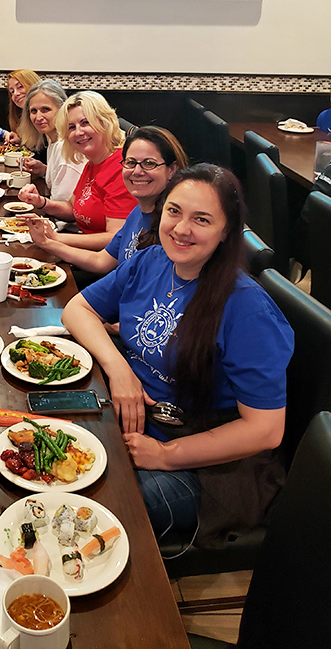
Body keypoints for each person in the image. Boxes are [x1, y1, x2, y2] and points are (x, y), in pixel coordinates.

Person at [62, 164, 294, 544]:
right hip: (130, 423)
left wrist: (166, 454)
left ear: (226, 232)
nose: (181, 229)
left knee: (89, 507)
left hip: (202, 464)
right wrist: (120, 370)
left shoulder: (247, 309)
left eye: (201, 219)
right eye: (174, 211)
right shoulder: (151, 261)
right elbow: (77, 310)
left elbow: (266, 430)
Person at [26, 126, 187, 274]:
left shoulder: (175, 228)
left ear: (172, 170)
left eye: (149, 163)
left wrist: (54, 239)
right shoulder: (137, 213)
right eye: (131, 163)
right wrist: (46, 242)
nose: (137, 171)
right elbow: (101, 261)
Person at [18, 91, 136, 251]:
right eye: (71, 127)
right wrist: (41, 202)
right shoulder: (92, 162)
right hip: (83, 251)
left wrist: (55, 237)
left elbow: (115, 238)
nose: (78, 132)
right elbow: (72, 208)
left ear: (104, 122)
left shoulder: (121, 168)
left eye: (85, 123)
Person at [16, 79, 83, 202]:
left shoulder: (66, 145)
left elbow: (65, 205)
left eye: (45, 109)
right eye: (33, 111)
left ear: (62, 109)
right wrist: (44, 170)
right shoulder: (53, 139)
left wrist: (39, 202)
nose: (38, 117)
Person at [6, 69, 40, 144]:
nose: (15, 94)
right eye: (12, 91)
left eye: (20, 87)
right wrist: (20, 140)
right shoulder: (21, 123)